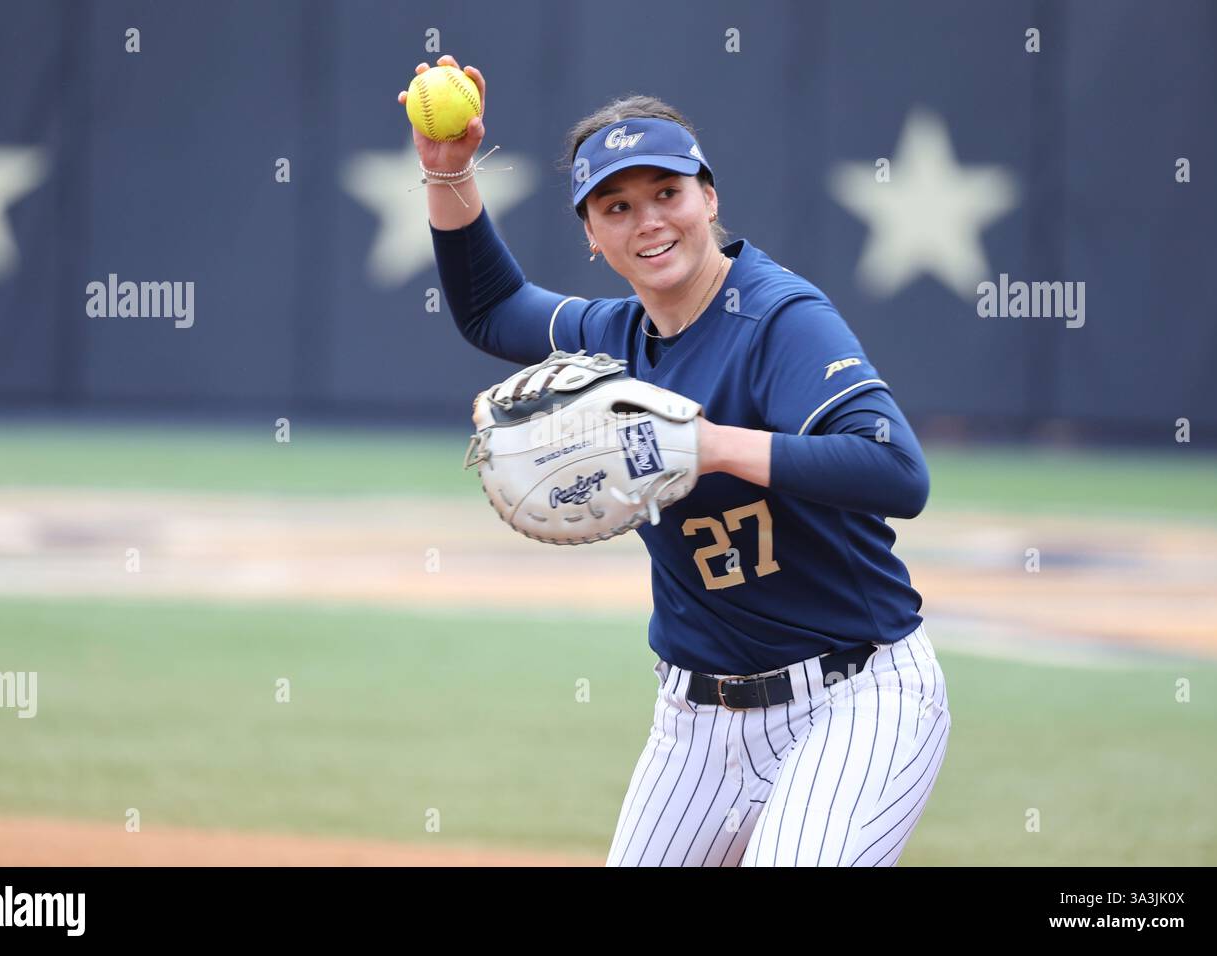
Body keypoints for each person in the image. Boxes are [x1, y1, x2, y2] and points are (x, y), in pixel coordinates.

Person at [399, 55, 951, 867]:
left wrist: (706, 443)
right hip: (694, 720)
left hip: (856, 697)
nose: (649, 220)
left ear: (709, 197)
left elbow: (897, 472)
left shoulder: (778, 319)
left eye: (667, 193)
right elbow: (491, 310)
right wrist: (447, 173)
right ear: (591, 236)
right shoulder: (611, 340)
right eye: (616, 206)